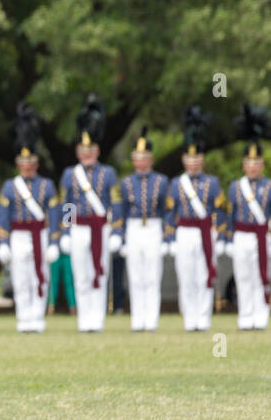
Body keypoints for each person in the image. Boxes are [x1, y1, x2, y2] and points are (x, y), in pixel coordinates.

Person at [52, 94, 119, 333]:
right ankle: (84, 319)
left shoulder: (109, 173)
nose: (87, 153)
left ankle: (97, 318)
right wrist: (66, 232)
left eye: (90, 148)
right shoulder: (70, 174)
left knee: (99, 273)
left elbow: (115, 203)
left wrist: (116, 231)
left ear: (97, 150)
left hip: (101, 227)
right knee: (80, 274)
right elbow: (66, 203)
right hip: (79, 228)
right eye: (83, 149)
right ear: (77, 151)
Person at [0, 103, 59, 332]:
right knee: (20, 277)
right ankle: (23, 316)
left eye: (30, 163)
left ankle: (37, 315)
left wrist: (56, 240)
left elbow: (57, 211)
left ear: (36, 164)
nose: (27, 167)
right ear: (17, 164)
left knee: (39, 276)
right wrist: (2, 241)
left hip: (39, 233)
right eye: (23, 163)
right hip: (19, 235)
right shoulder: (10, 187)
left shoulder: (47, 185)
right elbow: (3, 215)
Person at [164, 105, 225, 332]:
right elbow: (171, 212)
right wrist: (169, 238)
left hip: (205, 231)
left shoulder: (212, 182)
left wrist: (220, 234)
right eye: (189, 157)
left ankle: (203, 317)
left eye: (196, 157)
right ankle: (189, 317)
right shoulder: (176, 183)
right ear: (183, 159)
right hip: (185, 231)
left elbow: (219, 211)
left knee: (204, 274)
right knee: (186, 275)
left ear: (202, 158)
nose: (193, 162)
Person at [115, 127, 169, 332]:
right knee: (136, 276)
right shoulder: (126, 182)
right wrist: (120, 236)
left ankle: (151, 319)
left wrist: (167, 236)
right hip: (134, 227)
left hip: (153, 227)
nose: (141, 161)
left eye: (144, 157)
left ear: (151, 159)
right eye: (137, 157)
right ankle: (137, 319)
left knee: (152, 276)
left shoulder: (161, 181)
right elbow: (121, 211)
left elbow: (166, 210)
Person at [225, 103, 271, 331]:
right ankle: (245, 315)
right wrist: (226, 239)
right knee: (242, 276)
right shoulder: (235, 187)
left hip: (263, 236)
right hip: (242, 235)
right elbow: (229, 214)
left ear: (262, 165)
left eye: (256, 163)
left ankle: (261, 315)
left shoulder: (269, 185)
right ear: (243, 165)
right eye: (249, 163)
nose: (253, 167)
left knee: (262, 275)